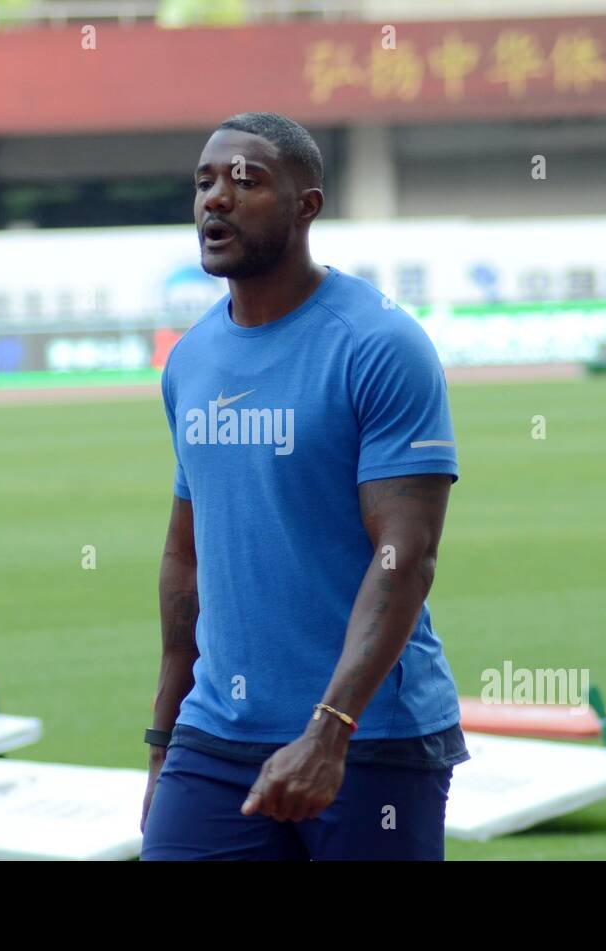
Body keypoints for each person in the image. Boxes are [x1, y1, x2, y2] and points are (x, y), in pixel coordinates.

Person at [140, 112, 468, 861]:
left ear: (306, 206)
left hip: (369, 740)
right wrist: (165, 740)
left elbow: (407, 554)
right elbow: (185, 561)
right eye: (204, 181)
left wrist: (329, 730)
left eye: (246, 181)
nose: (216, 198)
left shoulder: (379, 345)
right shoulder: (190, 361)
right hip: (216, 738)